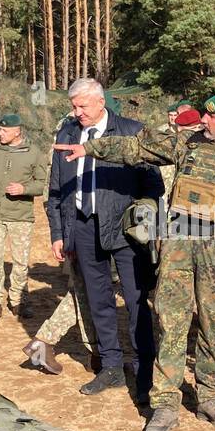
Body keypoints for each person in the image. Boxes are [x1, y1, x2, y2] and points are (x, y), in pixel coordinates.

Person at [56, 90, 215, 431]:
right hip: (180, 246)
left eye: (211, 118)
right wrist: (90, 149)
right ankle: (165, 404)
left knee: (213, 326)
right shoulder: (187, 144)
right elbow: (137, 148)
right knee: (171, 324)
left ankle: (211, 398)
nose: (203, 120)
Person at [45, 78, 161, 398]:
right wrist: (59, 232)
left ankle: (143, 369)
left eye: (82, 105)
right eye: (73, 106)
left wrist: (144, 222)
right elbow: (56, 187)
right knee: (99, 300)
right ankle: (111, 367)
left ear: (100, 102)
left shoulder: (131, 130)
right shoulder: (67, 133)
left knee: (136, 300)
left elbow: (153, 186)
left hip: (126, 228)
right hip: (83, 225)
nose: (76, 111)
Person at [0, 113, 46, 322]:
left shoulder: (34, 152)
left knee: (20, 261)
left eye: (4, 131)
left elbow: (42, 183)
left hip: (21, 216)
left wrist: (24, 188)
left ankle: (18, 300)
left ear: (17, 132)